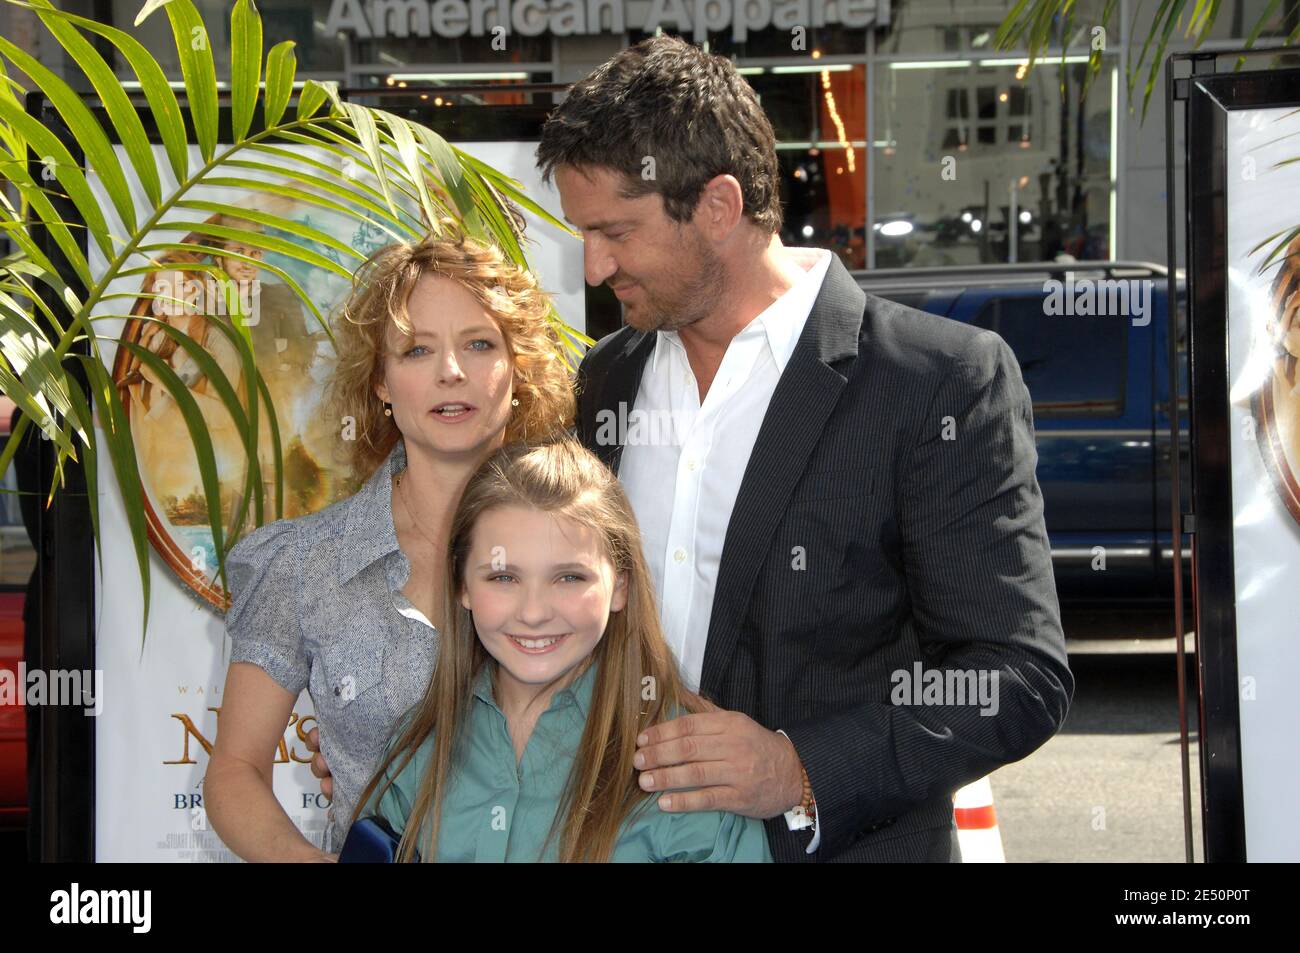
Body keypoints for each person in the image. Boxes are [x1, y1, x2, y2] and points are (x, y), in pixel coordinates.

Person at [535, 34, 1075, 862]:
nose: (594, 263)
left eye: (616, 230)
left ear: (718, 207)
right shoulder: (605, 378)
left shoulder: (937, 381)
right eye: (583, 232)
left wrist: (800, 766)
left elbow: (1017, 673)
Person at [204, 228, 575, 861]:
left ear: (519, 370)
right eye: (416, 350)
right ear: (380, 382)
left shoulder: (587, 541)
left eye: (479, 344)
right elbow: (234, 771)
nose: (450, 372)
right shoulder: (303, 562)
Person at [354, 438, 772, 862]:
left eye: (569, 578)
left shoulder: (685, 770)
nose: (534, 613)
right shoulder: (417, 751)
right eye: (503, 577)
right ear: (462, 585)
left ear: (621, 585)